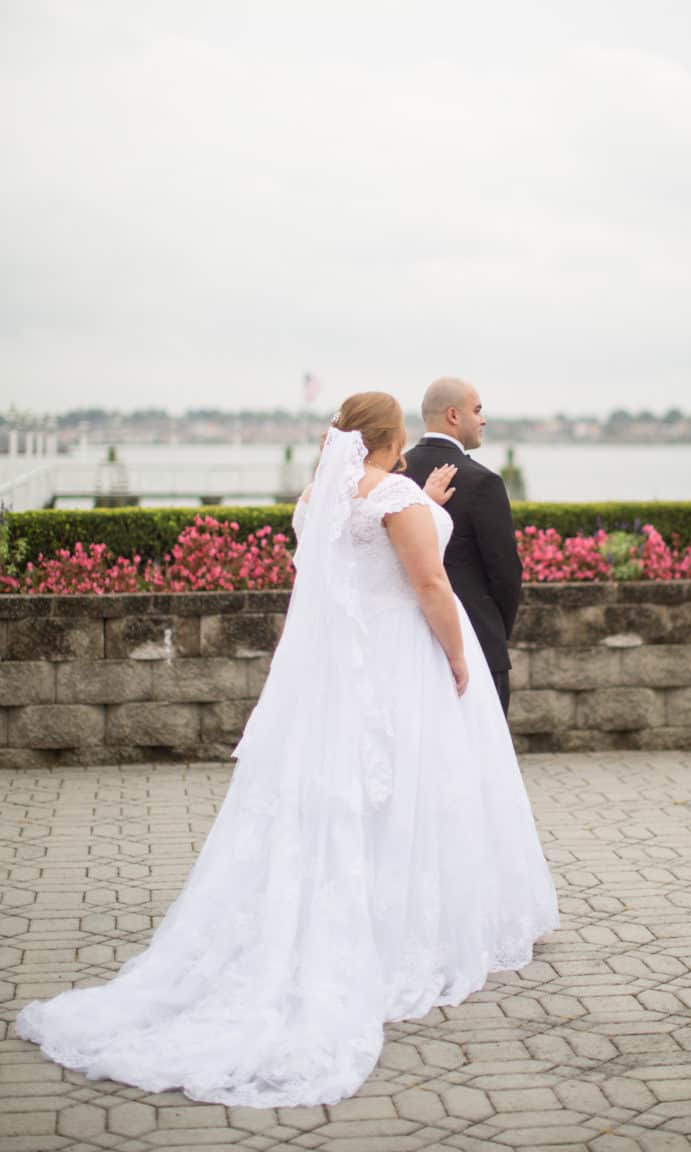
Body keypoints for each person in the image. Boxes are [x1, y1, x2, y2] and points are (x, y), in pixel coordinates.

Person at [16, 392, 558, 1109]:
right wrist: (460, 657)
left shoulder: (319, 498)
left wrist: (421, 500)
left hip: (340, 671)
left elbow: (353, 557)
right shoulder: (392, 492)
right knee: (407, 785)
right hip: (399, 661)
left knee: (342, 791)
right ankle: (395, 926)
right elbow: (428, 582)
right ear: (394, 435)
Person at [404, 377, 523, 715]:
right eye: (478, 410)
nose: (483, 419)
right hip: (475, 638)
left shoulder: (392, 474)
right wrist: (494, 628)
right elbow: (505, 572)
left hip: (406, 641)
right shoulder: (482, 481)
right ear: (454, 415)